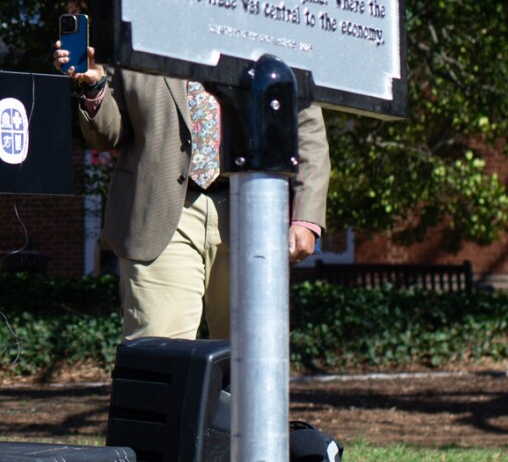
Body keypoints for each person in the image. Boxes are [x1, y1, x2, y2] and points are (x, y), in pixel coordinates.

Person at [54, 39, 329, 340]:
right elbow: (108, 135)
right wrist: (95, 86)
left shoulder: (264, 27)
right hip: (160, 210)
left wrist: (306, 217)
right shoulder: (140, 30)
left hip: (252, 210)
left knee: (253, 354)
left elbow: (307, 127)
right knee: (161, 354)